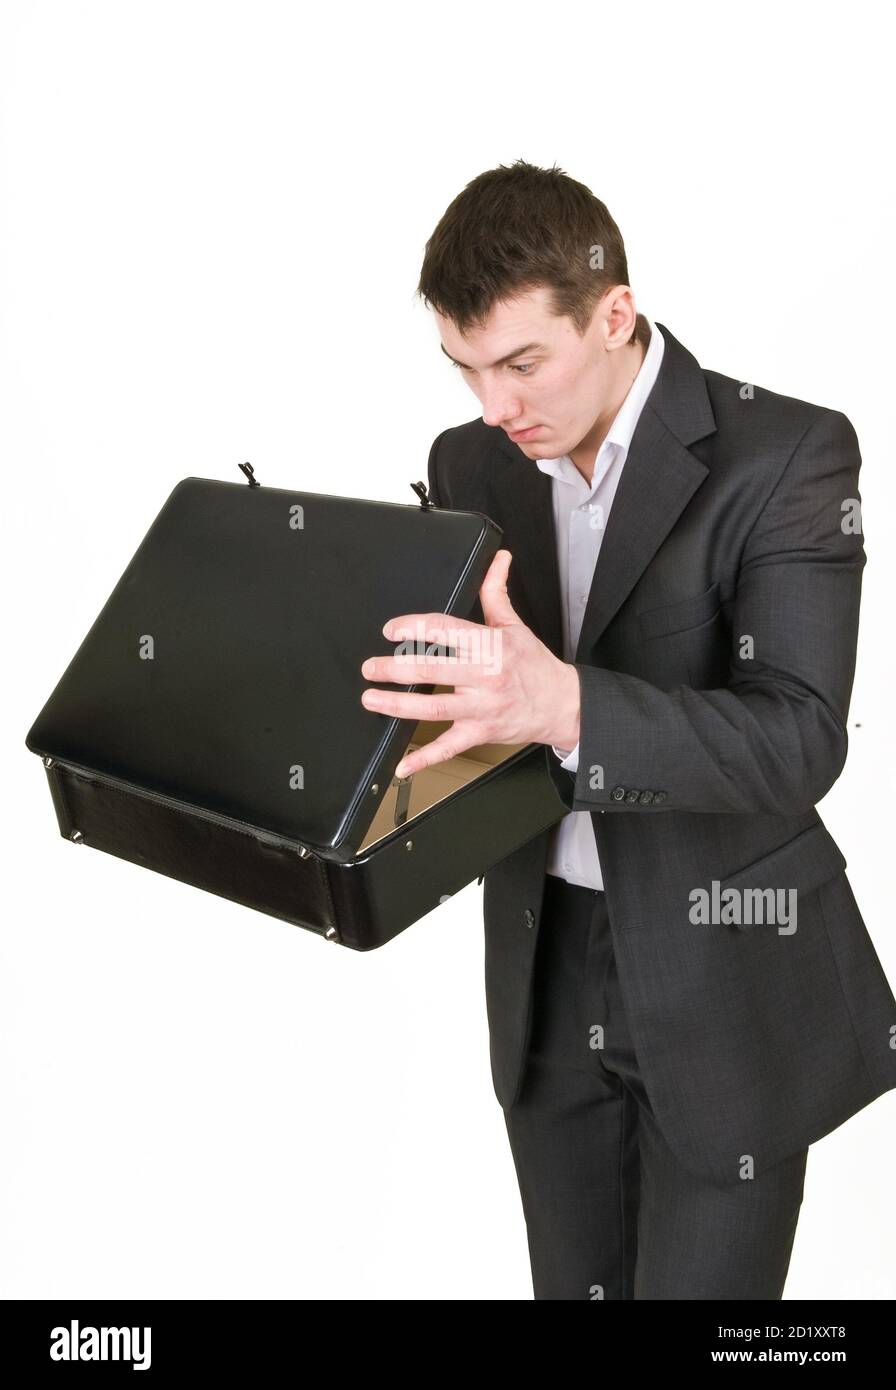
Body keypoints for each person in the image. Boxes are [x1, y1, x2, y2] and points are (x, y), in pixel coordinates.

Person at [358, 159, 896, 1299]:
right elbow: (476, 697)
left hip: (723, 977)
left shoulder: (789, 457)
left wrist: (566, 706)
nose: (494, 409)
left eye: (519, 363)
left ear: (613, 313)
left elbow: (798, 738)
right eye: (464, 370)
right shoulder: (470, 462)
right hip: (545, 967)